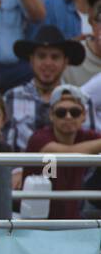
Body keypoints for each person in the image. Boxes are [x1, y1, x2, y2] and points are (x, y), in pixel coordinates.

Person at [3, 24, 95, 148]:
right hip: (22, 167)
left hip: (71, 166)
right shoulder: (11, 98)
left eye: (55, 57)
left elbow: (92, 148)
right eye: (41, 56)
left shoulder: (83, 100)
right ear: (31, 60)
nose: (48, 63)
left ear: (65, 61)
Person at [25, 83, 101, 218]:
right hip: (35, 222)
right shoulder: (39, 138)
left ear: (84, 115)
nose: (68, 117)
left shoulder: (88, 137)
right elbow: (69, 153)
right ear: (51, 115)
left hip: (73, 219)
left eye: (75, 112)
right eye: (61, 112)